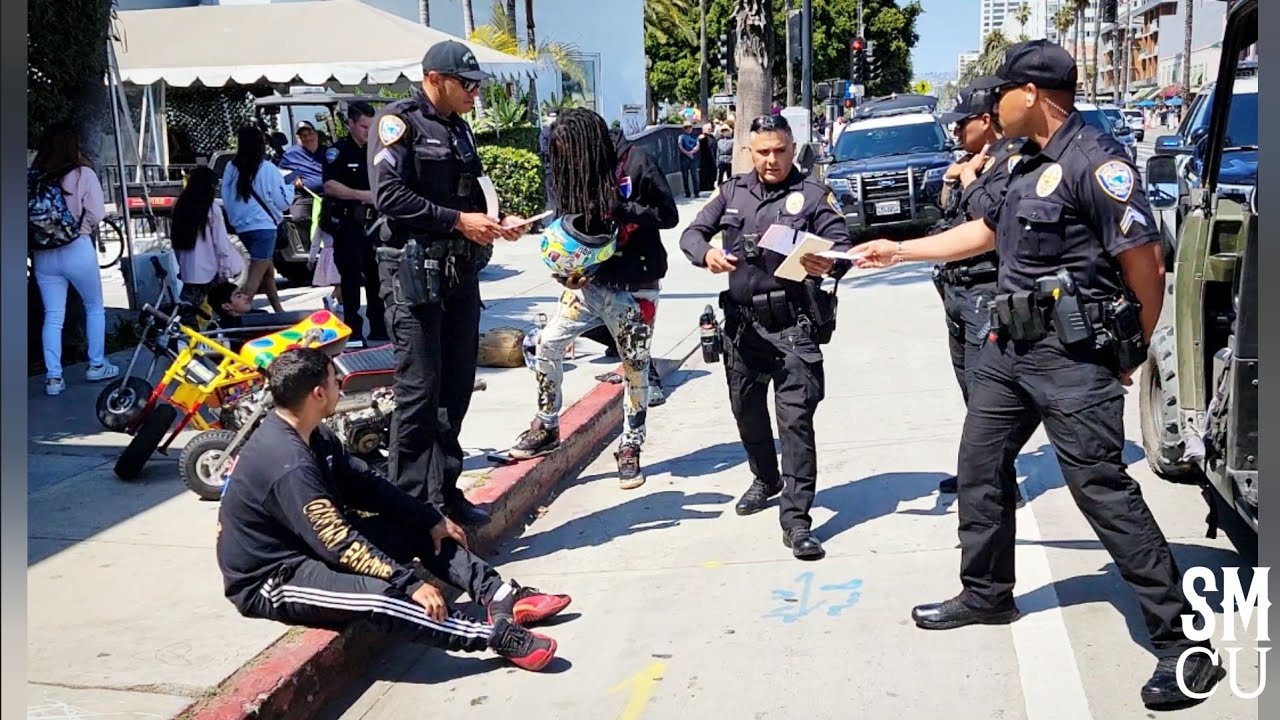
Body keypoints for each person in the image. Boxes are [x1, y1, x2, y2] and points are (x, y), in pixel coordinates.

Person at [852, 40, 1221, 708]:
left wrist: (1128, 352)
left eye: (1001, 92)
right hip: (1007, 349)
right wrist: (899, 250)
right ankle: (987, 593)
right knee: (979, 465)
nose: (992, 104)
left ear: (1034, 93)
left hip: (1072, 358)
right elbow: (988, 232)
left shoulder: (1096, 163)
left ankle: (1182, 643)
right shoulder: (1024, 164)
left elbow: (1146, 269)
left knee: (1101, 491)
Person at [215, 348, 571, 672]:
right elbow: (337, 542)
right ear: (318, 394)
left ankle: (498, 596)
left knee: (421, 530)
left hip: (315, 545)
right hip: (276, 576)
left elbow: (368, 485)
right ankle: (492, 636)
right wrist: (409, 583)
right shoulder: (288, 463)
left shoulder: (312, 433)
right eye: (334, 380)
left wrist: (430, 517)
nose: (341, 384)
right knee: (380, 596)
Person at [679, 114, 851, 560]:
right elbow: (692, 233)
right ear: (749, 152)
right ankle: (765, 477)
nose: (772, 159)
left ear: (793, 149)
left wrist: (828, 262)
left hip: (792, 325)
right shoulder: (732, 192)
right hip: (742, 326)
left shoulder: (811, 195)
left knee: (795, 422)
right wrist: (708, 254)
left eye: (779, 150)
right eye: (763, 152)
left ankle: (797, 521)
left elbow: (841, 244)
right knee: (746, 412)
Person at [367, 40, 525, 526]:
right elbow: (388, 195)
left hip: (457, 273)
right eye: (467, 84)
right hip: (412, 274)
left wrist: (498, 221)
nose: (475, 92)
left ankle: (445, 495)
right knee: (418, 392)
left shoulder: (459, 129)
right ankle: (411, 513)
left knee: (455, 388)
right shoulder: (398, 123)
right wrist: (459, 221)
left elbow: (473, 192)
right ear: (434, 78)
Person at [507, 110, 679, 489]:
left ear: (591, 144)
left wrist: (622, 210)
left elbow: (668, 215)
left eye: (570, 151)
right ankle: (547, 425)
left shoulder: (635, 161)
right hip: (587, 285)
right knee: (544, 344)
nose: (564, 160)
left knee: (635, 368)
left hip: (636, 284)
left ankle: (631, 445)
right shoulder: (573, 167)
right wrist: (565, 263)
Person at [929, 82, 1034, 499]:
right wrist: (952, 182)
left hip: (985, 291)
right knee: (970, 393)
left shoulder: (1011, 161)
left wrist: (970, 178)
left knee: (986, 395)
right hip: (957, 291)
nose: (955, 133)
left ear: (985, 121)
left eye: (962, 125)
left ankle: (995, 483)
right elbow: (948, 215)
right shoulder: (969, 160)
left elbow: (992, 218)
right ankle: (980, 472)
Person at [28, 121, 119, 396]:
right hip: (77, 246)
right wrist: (81, 228)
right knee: (94, 306)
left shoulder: (33, 176)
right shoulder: (83, 174)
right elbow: (97, 213)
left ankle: (54, 378)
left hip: (43, 252)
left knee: (53, 316)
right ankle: (96, 364)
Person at [323, 102, 387, 346]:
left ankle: (379, 327)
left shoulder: (377, 149)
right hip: (350, 223)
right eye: (363, 126)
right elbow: (330, 185)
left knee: (376, 277)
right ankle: (353, 330)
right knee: (350, 280)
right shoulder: (339, 152)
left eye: (372, 127)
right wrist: (364, 195)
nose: (367, 132)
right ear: (350, 124)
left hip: (376, 224)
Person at [221, 125, 290, 314]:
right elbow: (282, 202)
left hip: (242, 226)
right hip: (264, 227)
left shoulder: (231, 167)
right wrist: (291, 188)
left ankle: (278, 310)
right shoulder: (268, 168)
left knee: (268, 271)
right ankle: (238, 312)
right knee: (256, 275)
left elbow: (226, 197)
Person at [170, 166, 245, 320]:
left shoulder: (179, 207)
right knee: (222, 310)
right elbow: (221, 243)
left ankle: (186, 338)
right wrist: (225, 270)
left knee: (187, 311)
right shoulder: (211, 209)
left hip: (190, 271)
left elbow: (176, 244)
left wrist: (182, 268)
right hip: (212, 271)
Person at [280, 120, 328, 250]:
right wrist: (293, 180)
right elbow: (282, 175)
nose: (307, 138)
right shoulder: (291, 155)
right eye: (303, 136)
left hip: (329, 194)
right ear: (299, 138)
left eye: (310, 134)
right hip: (305, 194)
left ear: (316, 135)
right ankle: (308, 248)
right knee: (299, 216)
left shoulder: (328, 152)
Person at [677, 122, 701, 199]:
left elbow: (697, 146)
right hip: (684, 159)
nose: (688, 129)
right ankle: (687, 193)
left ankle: (696, 192)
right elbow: (680, 146)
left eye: (690, 127)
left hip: (693, 158)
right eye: (686, 127)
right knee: (685, 176)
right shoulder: (681, 136)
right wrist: (687, 153)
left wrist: (692, 152)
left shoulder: (695, 137)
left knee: (695, 176)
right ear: (684, 129)